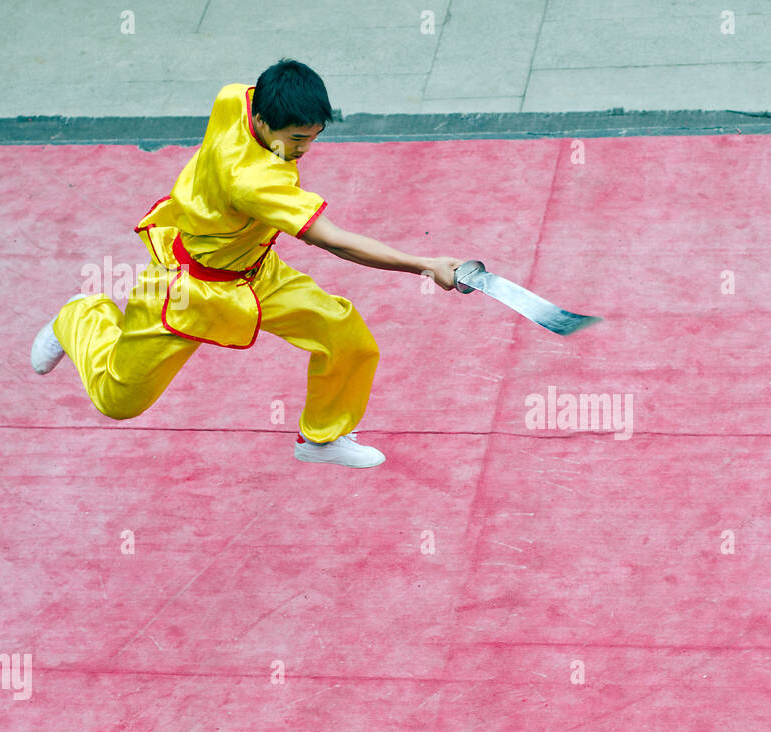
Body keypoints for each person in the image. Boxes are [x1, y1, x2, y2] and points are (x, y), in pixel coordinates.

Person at [30, 59, 464, 468]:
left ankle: (322, 439)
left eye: (312, 136)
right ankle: (79, 316)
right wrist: (426, 265)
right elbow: (336, 242)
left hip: (256, 270)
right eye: (296, 139)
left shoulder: (236, 98)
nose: (305, 149)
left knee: (342, 332)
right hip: (188, 287)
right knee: (117, 400)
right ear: (261, 121)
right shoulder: (255, 180)